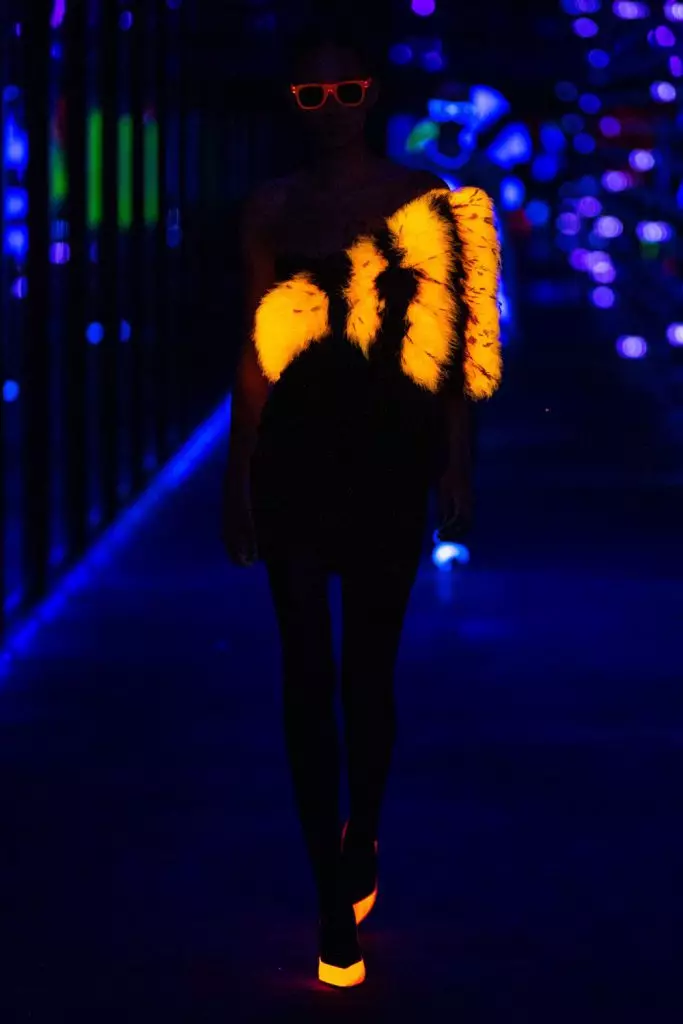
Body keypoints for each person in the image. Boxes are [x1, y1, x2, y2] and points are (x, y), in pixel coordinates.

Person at [224, 24, 501, 989]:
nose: (332, 112)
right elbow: (258, 346)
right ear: (292, 106)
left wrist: (455, 461)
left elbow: (455, 333)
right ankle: (330, 892)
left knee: (363, 672)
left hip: (388, 451)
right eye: (313, 97)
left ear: (372, 95)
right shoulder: (273, 207)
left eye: (345, 94)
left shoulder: (425, 200)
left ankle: (360, 841)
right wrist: (239, 471)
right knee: (310, 674)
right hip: (300, 452)